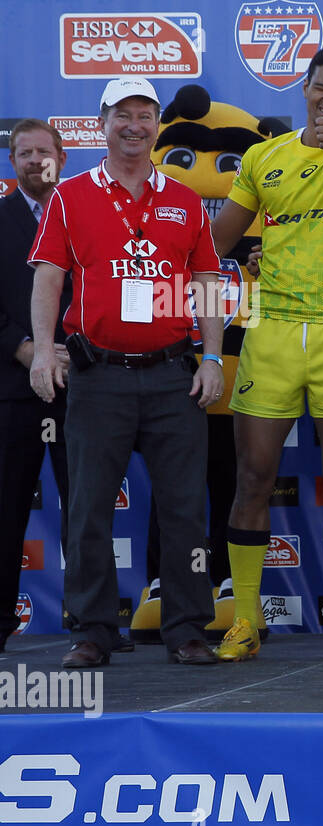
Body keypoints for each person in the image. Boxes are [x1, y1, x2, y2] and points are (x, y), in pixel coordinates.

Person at [209, 45, 323, 662]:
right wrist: (248, 257)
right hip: (273, 334)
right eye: (322, 89)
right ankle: (245, 621)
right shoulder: (265, 158)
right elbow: (218, 241)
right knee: (253, 478)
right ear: (305, 88)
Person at [28, 78, 223, 667]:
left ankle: (187, 626)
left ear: (158, 125)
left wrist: (212, 357)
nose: (134, 125)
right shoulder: (71, 195)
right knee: (87, 506)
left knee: (186, 507)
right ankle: (92, 629)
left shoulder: (185, 199)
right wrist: (42, 350)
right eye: (122, 115)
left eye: (145, 114)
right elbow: (48, 277)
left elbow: (209, 283)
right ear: (102, 123)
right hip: (98, 376)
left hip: (171, 374)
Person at [0, 119, 72, 652]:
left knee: (87, 509)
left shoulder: (84, 214)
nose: (32, 160)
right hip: (13, 392)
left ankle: (93, 623)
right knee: (5, 512)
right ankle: (0, 623)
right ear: (11, 163)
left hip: (83, 388)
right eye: (22, 153)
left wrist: (74, 355)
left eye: (42, 152)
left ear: (61, 157)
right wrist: (28, 349)